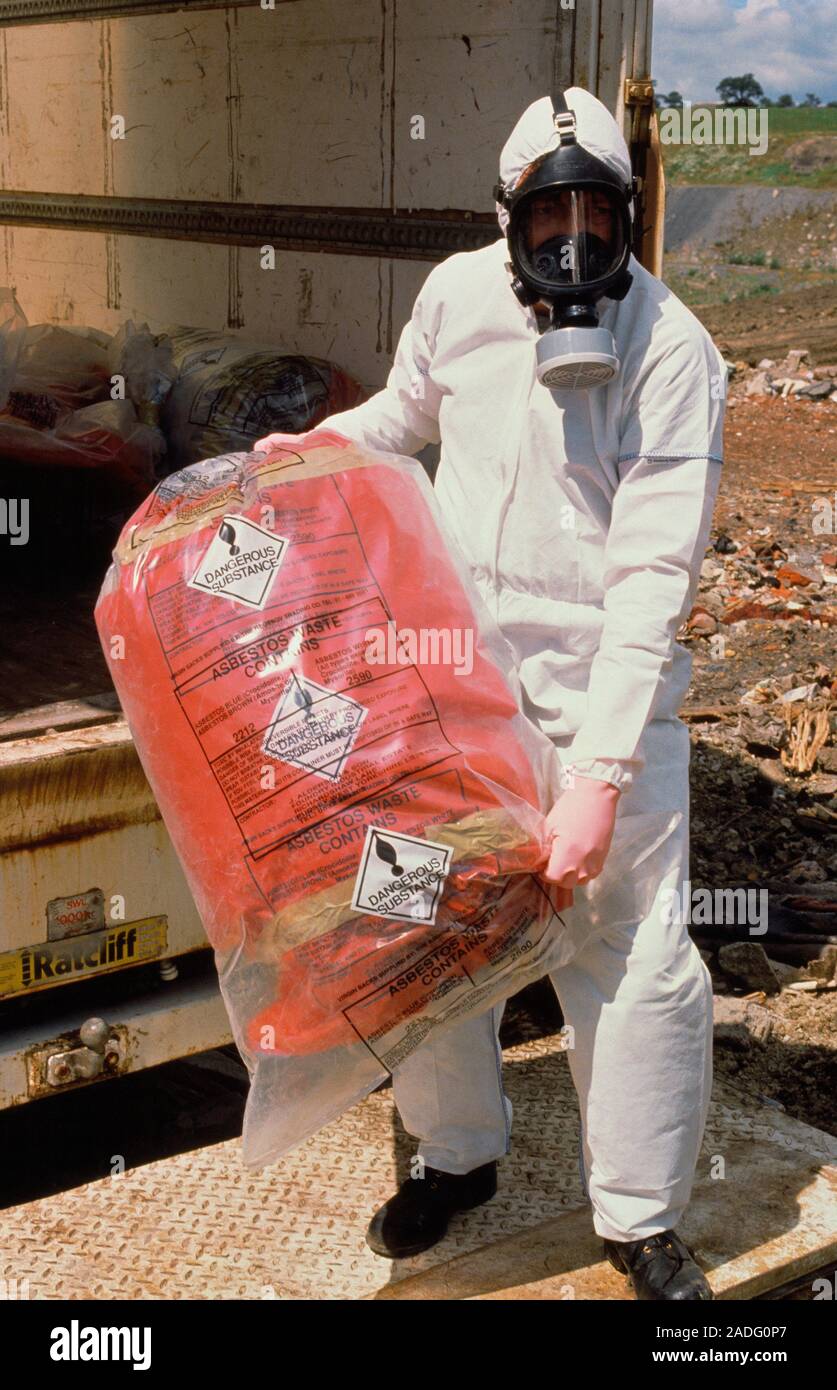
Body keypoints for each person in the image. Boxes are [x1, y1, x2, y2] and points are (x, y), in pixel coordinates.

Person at [256, 86, 725, 1301]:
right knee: (426, 933)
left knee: (634, 965)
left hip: (600, 711)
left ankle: (636, 1219)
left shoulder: (672, 351)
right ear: (503, 221)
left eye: (600, 219)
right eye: (547, 218)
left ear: (632, 219)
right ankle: (458, 1157)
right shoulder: (460, 297)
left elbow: (651, 581)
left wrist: (602, 778)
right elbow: (403, 419)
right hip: (450, 694)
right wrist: (312, 451)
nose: (574, 245)